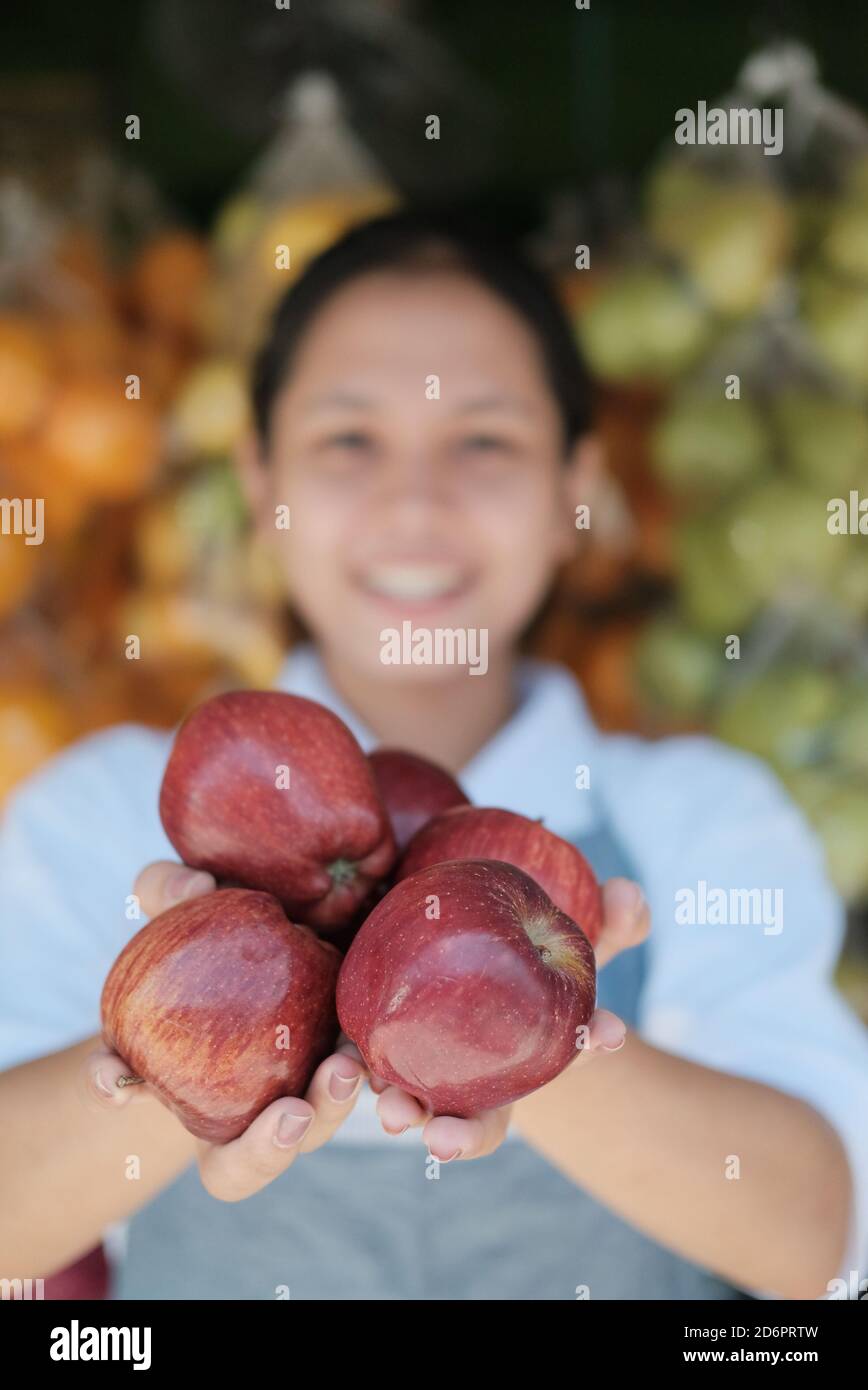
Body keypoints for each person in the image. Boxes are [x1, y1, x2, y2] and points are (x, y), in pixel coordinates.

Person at [1, 210, 866, 1302]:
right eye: (348, 442)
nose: (415, 501)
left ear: (576, 493)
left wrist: (516, 1029)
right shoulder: (105, 809)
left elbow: (817, 1238)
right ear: (262, 485)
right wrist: (192, 1033)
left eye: (486, 442)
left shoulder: (700, 819)